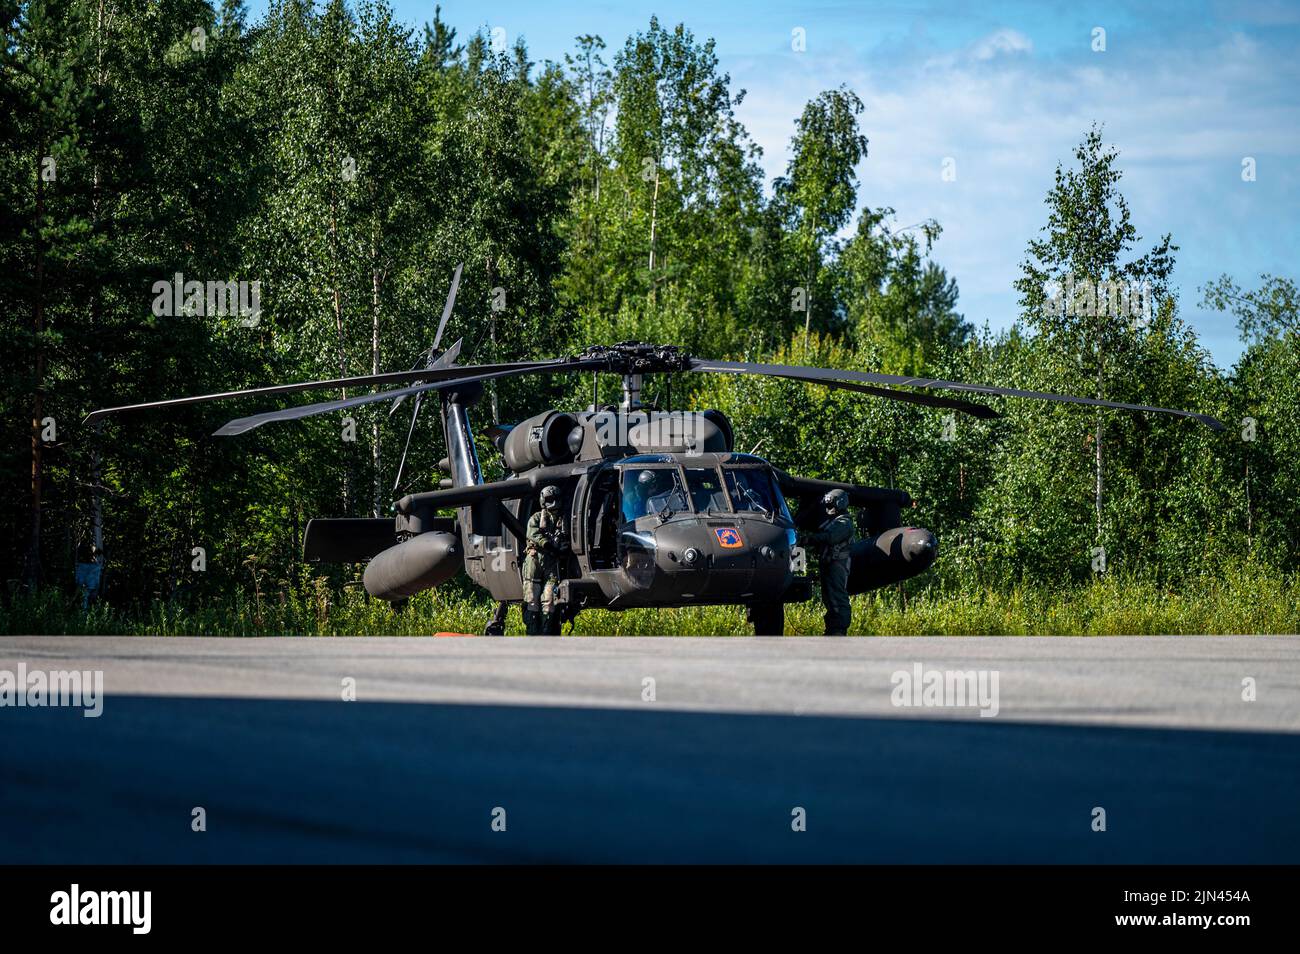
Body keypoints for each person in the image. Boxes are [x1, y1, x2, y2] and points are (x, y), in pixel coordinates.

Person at [803, 489, 854, 635]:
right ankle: (833, 629)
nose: (828, 507)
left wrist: (810, 539)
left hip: (837, 565)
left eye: (831, 504)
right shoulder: (833, 522)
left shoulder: (844, 523)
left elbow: (830, 537)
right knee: (830, 598)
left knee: (837, 597)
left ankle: (838, 630)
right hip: (830, 564)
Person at [523, 485, 569, 635]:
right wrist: (549, 545)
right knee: (531, 599)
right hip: (535, 561)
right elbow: (533, 534)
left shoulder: (564, 520)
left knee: (549, 599)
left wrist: (562, 549)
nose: (554, 503)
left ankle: (546, 633)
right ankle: (532, 633)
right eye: (550, 499)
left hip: (552, 563)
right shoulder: (536, 518)